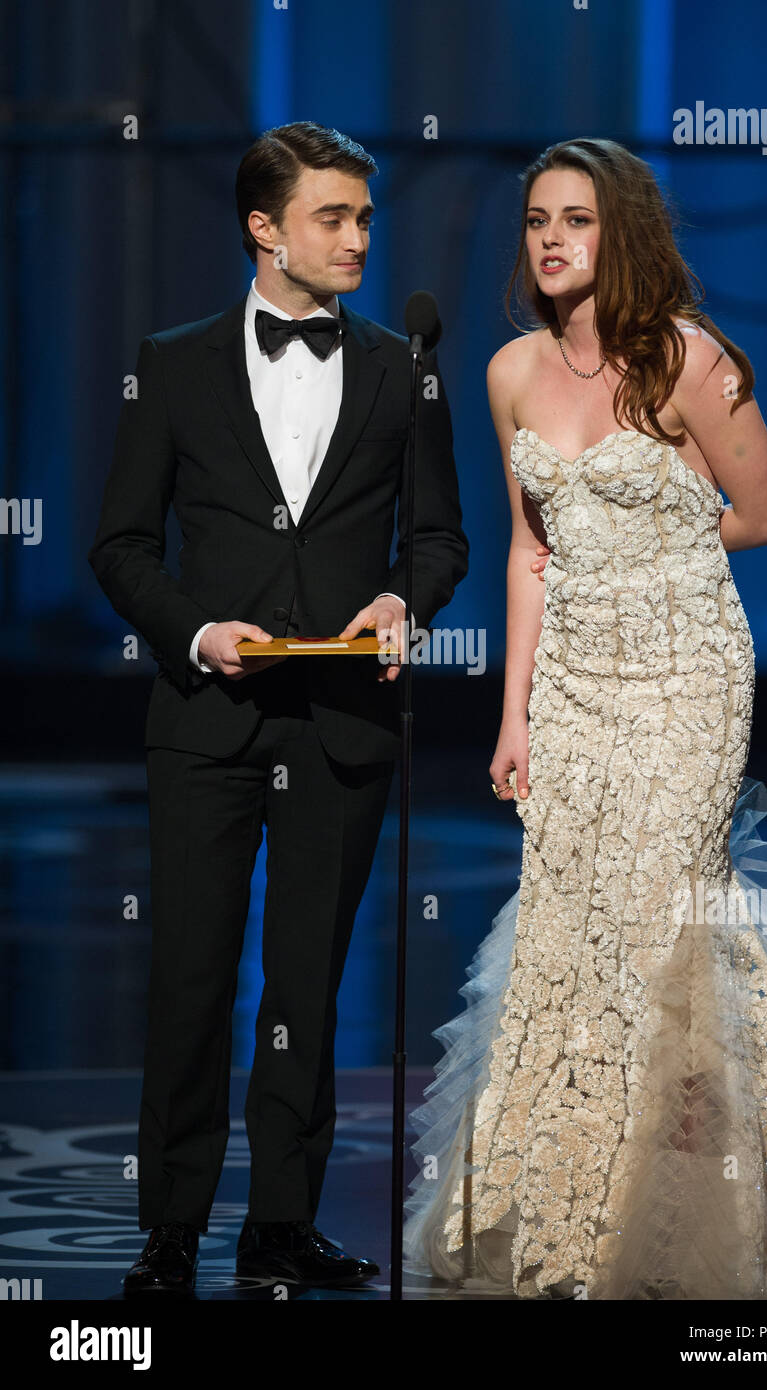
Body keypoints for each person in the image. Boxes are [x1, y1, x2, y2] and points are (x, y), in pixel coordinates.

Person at [402, 137, 767, 1299]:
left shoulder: (689, 361)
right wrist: (510, 717)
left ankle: (710, 1212)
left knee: (664, 931)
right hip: (569, 695)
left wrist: (649, 558)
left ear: (623, 235)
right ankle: (573, 1205)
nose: (551, 237)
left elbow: (762, 514)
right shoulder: (510, 371)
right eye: (536, 220)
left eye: (579, 218)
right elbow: (524, 550)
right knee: (573, 935)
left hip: (685, 682)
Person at [89, 120, 469, 1296]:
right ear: (265, 228)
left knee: (308, 983)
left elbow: (443, 538)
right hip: (209, 714)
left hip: (341, 714)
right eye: (333, 217)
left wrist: (405, 598)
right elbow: (119, 543)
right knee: (193, 975)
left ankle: (283, 1225)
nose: (359, 237)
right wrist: (199, 632)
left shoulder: (405, 366)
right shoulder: (173, 359)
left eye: (364, 217)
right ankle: (170, 1229)